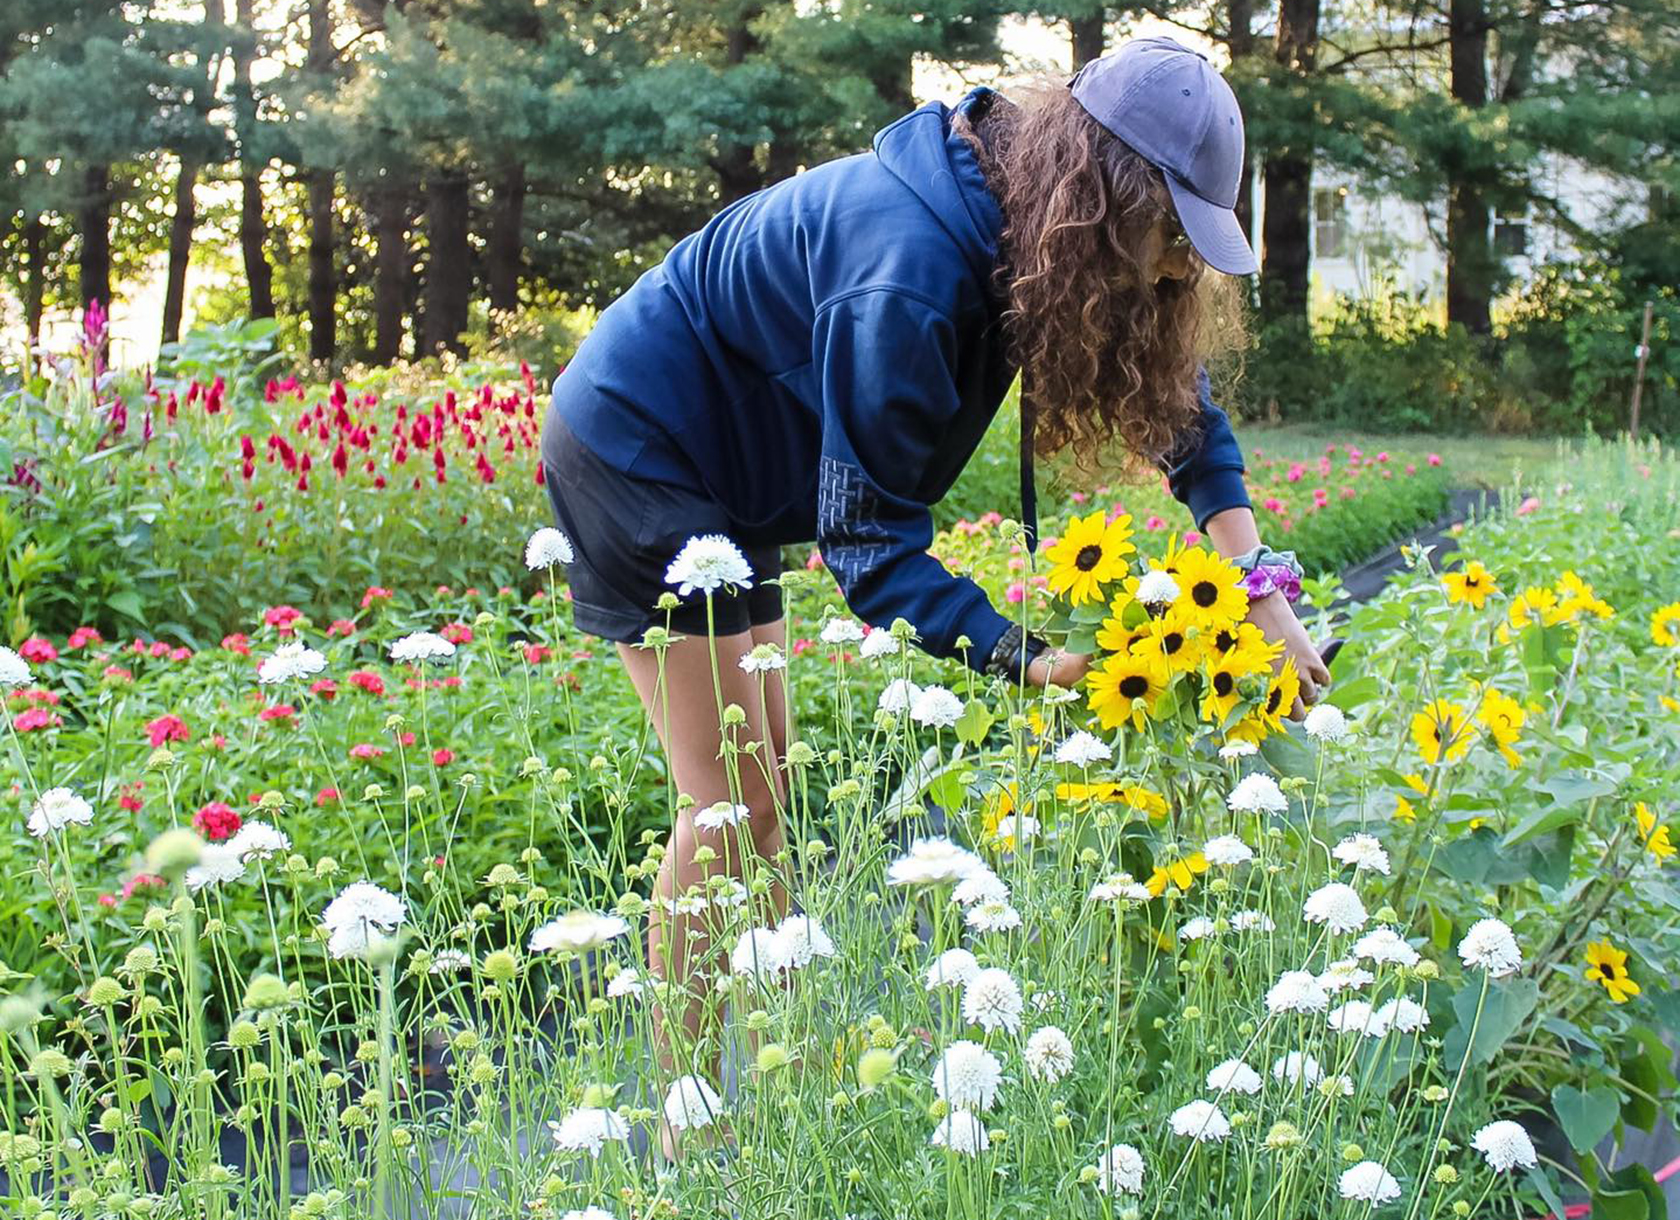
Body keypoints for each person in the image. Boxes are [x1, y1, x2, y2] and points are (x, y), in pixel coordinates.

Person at [539, 35, 1331, 1156]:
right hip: (640, 447)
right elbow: (870, 548)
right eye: (1167, 240)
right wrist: (1025, 656)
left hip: (732, 470)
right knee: (725, 805)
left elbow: (1180, 409)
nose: (1172, 275)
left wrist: (1263, 592)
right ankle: (687, 1121)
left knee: (765, 789)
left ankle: (781, 1072)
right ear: (1103, 204)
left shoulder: (1024, 218)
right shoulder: (910, 265)